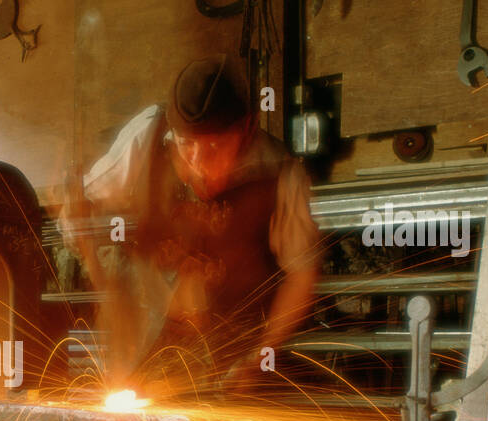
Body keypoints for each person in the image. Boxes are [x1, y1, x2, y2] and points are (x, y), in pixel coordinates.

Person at [64, 55, 322, 391]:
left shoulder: (281, 175)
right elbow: (80, 214)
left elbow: (302, 274)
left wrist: (260, 358)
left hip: (230, 365)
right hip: (146, 353)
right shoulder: (148, 138)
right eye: (187, 146)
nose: (198, 163)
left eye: (214, 147)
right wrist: (102, 281)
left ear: (247, 129)